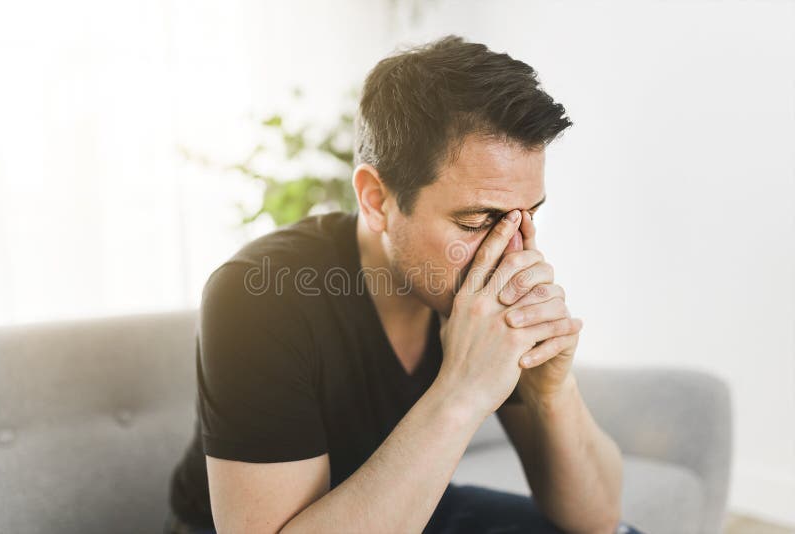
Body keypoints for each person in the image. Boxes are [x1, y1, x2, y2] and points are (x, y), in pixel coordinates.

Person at [166, 35, 645, 534]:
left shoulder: (476, 288)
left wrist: (551, 390)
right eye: (478, 221)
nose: (512, 252)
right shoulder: (259, 296)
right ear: (376, 199)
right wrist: (461, 391)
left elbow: (598, 519)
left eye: (528, 218)